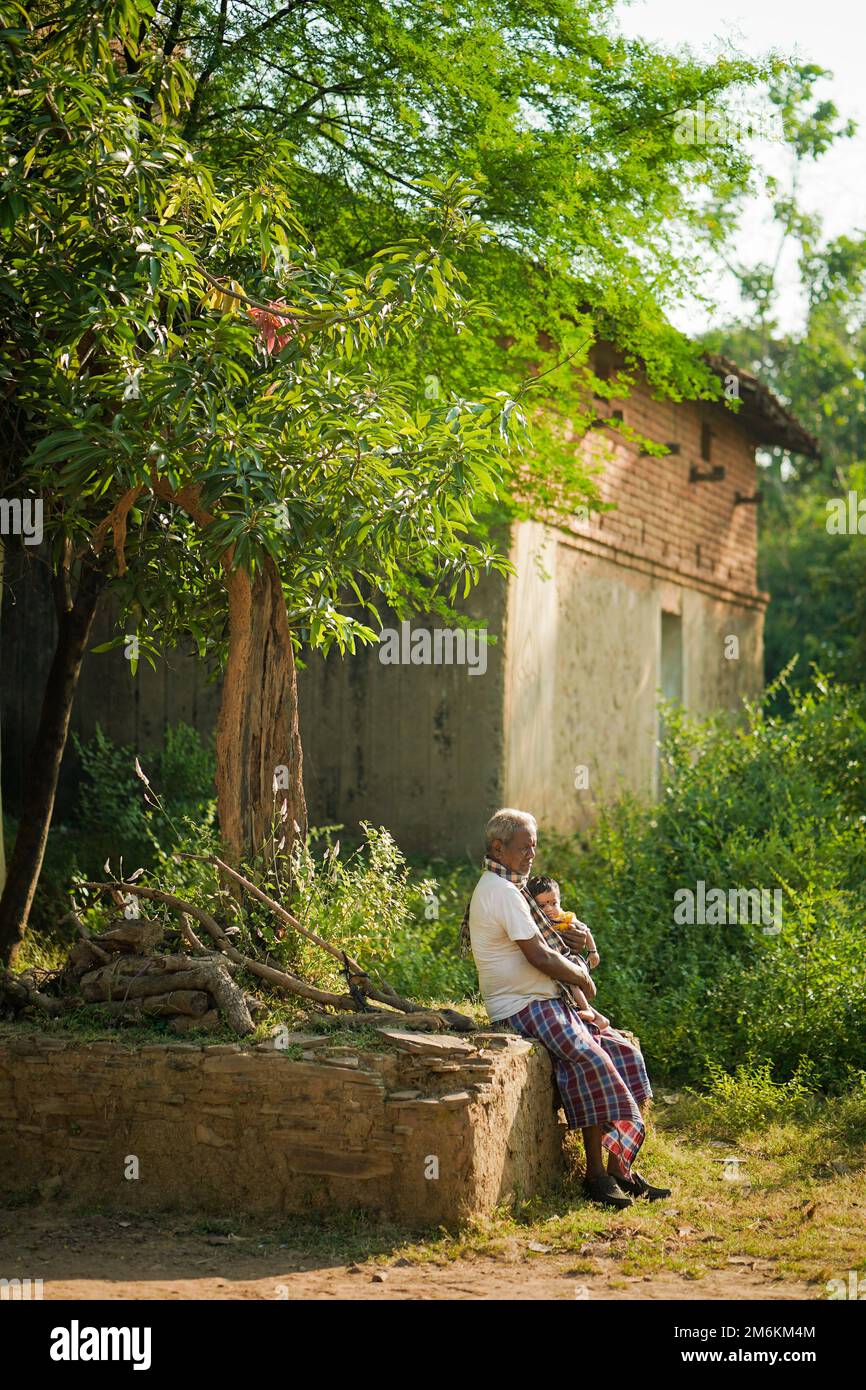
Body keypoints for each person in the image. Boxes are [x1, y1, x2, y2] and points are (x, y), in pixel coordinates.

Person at [462, 807, 670, 1209]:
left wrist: (578, 955)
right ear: (497, 847)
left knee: (625, 1054)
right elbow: (539, 956)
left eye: (534, 847)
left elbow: (548, 948)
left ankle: (619, 1169)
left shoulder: (515, 889)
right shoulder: (500, 891)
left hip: (545, 1003)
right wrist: (580, 977)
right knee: (591, 1060)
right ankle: (594, 1177)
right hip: (521, 1007)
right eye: (523, 848)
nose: (530, 855)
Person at [527, 874, 609, 1031]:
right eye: (543, 906)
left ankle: (586, 1010)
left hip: (573, 960)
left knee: (570, 981)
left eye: (553, 903)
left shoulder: (565, 917)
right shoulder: (540, 923)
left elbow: (586, 931)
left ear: (560, 901)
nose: (550, 909)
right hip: (562, 960)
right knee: (567, 991)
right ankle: (599, 1019)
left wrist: (593, 951)